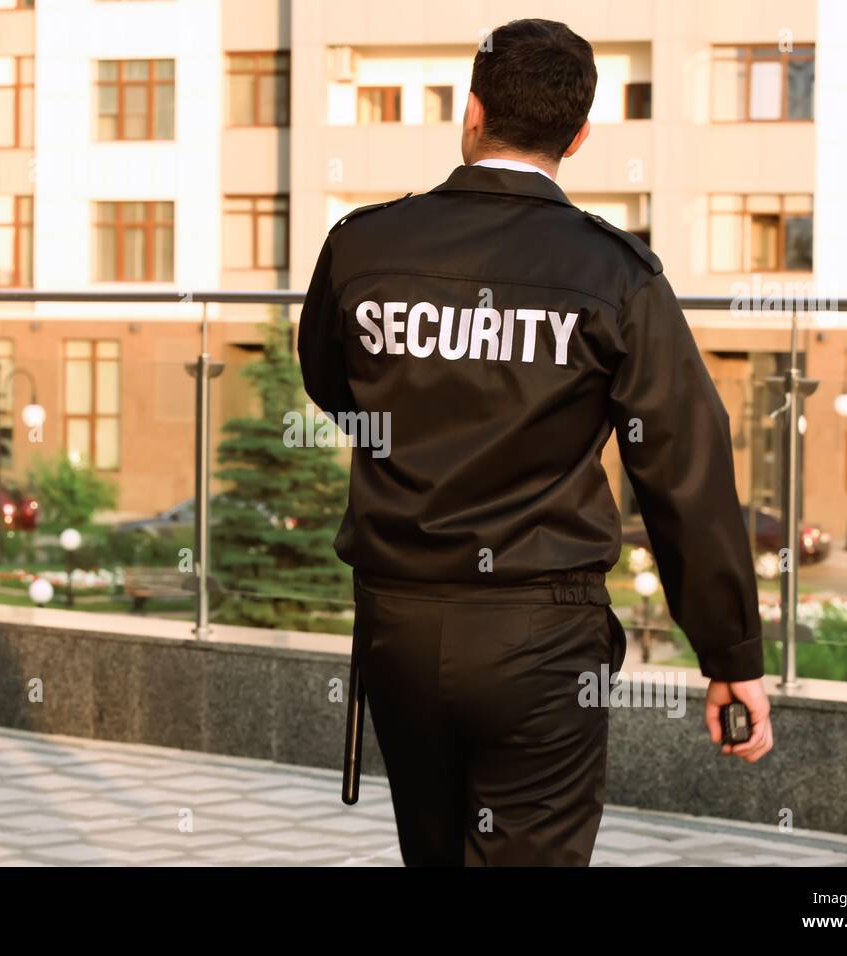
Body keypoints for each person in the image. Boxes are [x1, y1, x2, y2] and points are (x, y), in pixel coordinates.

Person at [297, 18, 773, 867]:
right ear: (581, 135)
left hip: (396, 623)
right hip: (539, 639)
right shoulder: (616, 273)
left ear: (470, 113)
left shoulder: (361, 245)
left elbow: (336, 389)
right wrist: (729, 652)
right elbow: (682, 467)